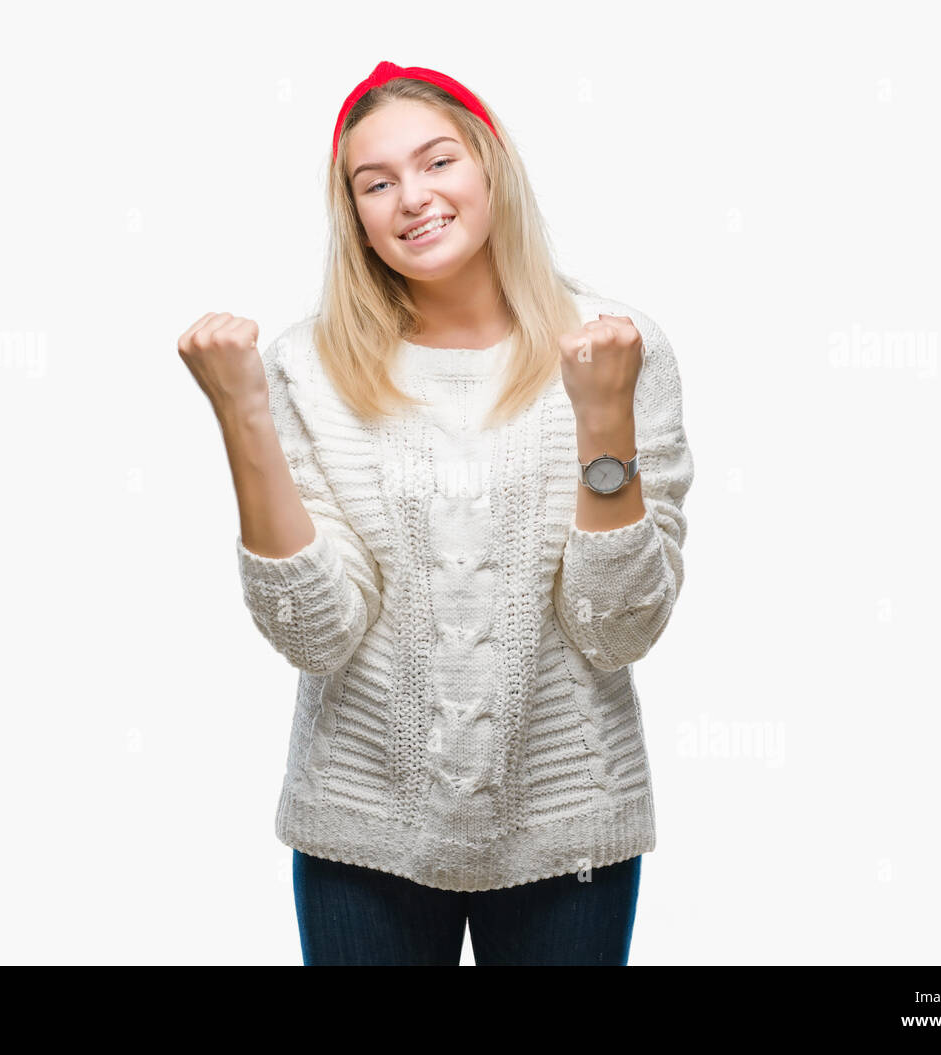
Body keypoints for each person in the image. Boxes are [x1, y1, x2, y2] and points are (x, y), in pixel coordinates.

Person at [177, 61, 694, 966]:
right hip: (362, 833)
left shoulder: (618, 345)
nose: (411, 198)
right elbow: (316, 632)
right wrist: (242, 414)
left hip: (570, 834)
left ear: (490, 166)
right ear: (357, 218)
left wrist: (601, 416)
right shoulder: (308, 366)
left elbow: (619, 628)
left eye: (437, 162)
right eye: (375, 183)